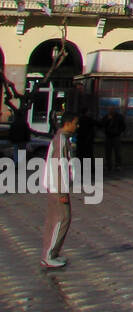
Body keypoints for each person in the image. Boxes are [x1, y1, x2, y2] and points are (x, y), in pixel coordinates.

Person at [40, 112, 79, 270]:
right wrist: (62, 191)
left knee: (54, 219)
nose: (77, 126)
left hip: (54, 186)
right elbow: (60, 167)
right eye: (75, 123)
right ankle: (49, 255)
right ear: (68, 123)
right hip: (58, 188)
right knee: (63, 219)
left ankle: (51, 253)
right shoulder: (61, 141)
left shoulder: (60, 139)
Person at [102, 107, 125, 173]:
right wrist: (107, 120)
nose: (110, 111)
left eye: (111, 110)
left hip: (116, 136)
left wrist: (119, 132)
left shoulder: (119, 117)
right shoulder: (106, 117)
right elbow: (102, 124)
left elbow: (123, 126)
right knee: (108, 152)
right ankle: (109, 165)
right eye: (109, 110)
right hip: (108, 136)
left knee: (117, 152)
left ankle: (118, 165)